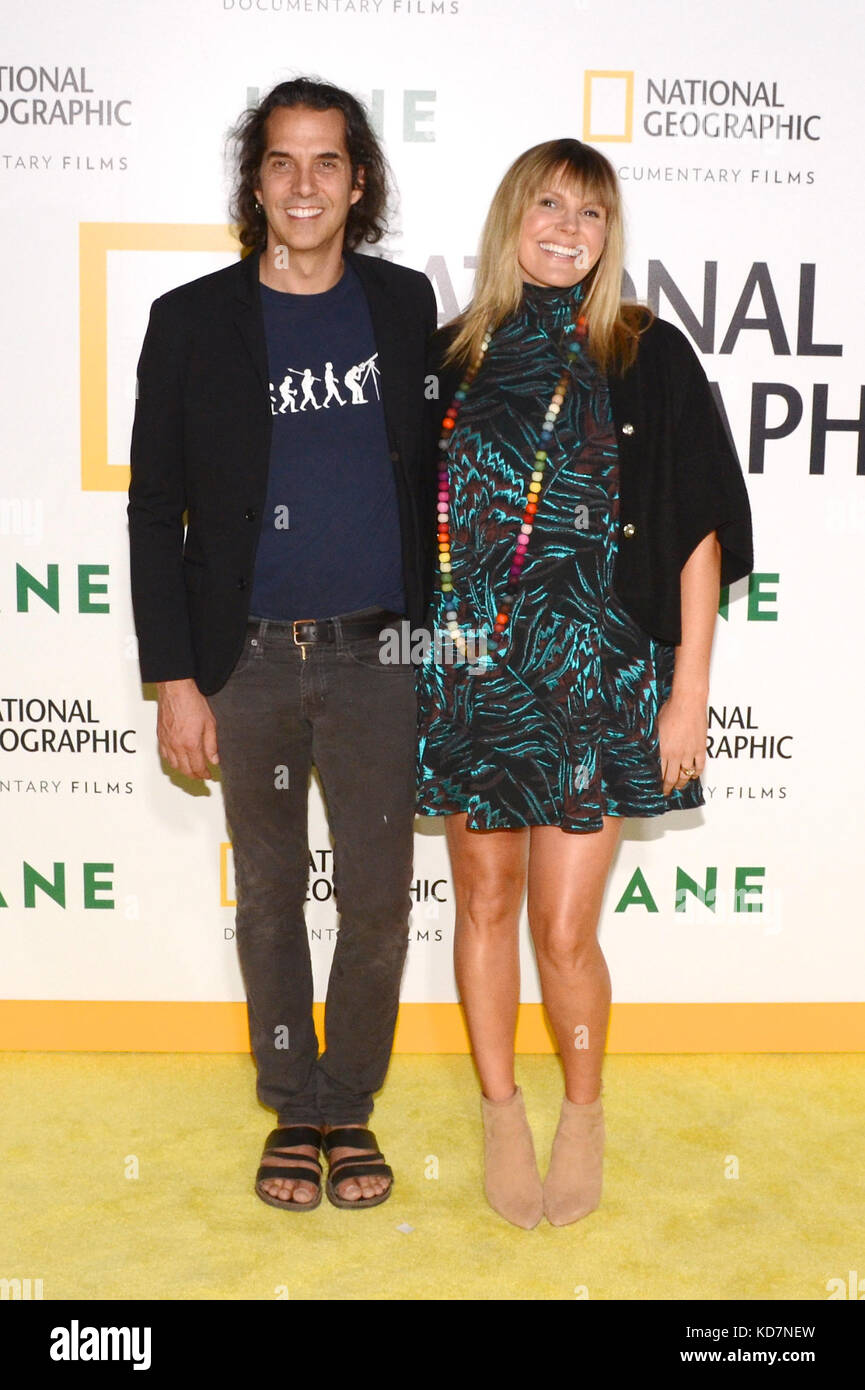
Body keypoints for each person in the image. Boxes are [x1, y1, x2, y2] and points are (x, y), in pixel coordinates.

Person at [416, 139, 753, 1229]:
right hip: (466, 677)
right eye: (549, 204)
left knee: (564, 931)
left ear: (611, 234)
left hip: (597, 681)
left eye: (592, 213)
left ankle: (584, 1111)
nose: (567, 227)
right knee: (483, 903)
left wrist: (688, 690)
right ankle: (502, 1108)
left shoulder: (644, 353)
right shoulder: (450, 357)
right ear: (512, 213)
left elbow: (697, 527)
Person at [128, 78, 437, 1212]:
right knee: (267, 900)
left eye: (326, 163)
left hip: (376, 659)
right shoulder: (191, 319)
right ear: (253, 181)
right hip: (243, 662)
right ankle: (288, 1105)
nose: (303, 185)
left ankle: (344, 1107)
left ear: (359, 182)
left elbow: (437, 480)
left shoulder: (405, 308)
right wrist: (174, 676)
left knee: (376, 902)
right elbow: (154, 510)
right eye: (280, 162)